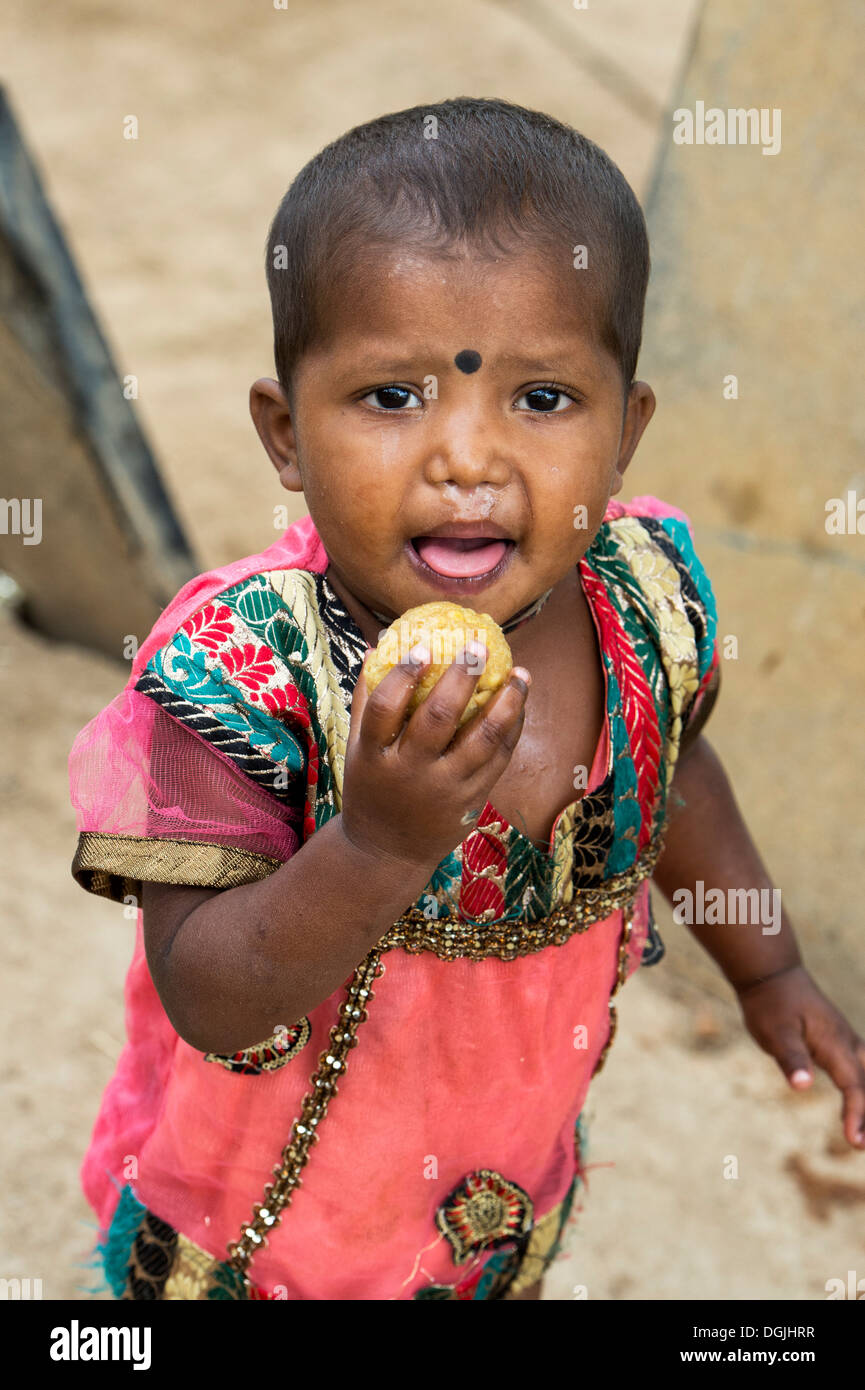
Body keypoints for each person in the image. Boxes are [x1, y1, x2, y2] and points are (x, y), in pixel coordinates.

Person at [69, 96, 865, 1302]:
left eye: (541, 400)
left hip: (495, 1179)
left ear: (624, 431)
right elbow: (211, 997)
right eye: (393, 397)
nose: (468, 462)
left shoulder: (641, 609)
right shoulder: (242, 671)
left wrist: (767, 968)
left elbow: (678, 781)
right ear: (286, 437)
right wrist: (381, 839)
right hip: (275, 1215)